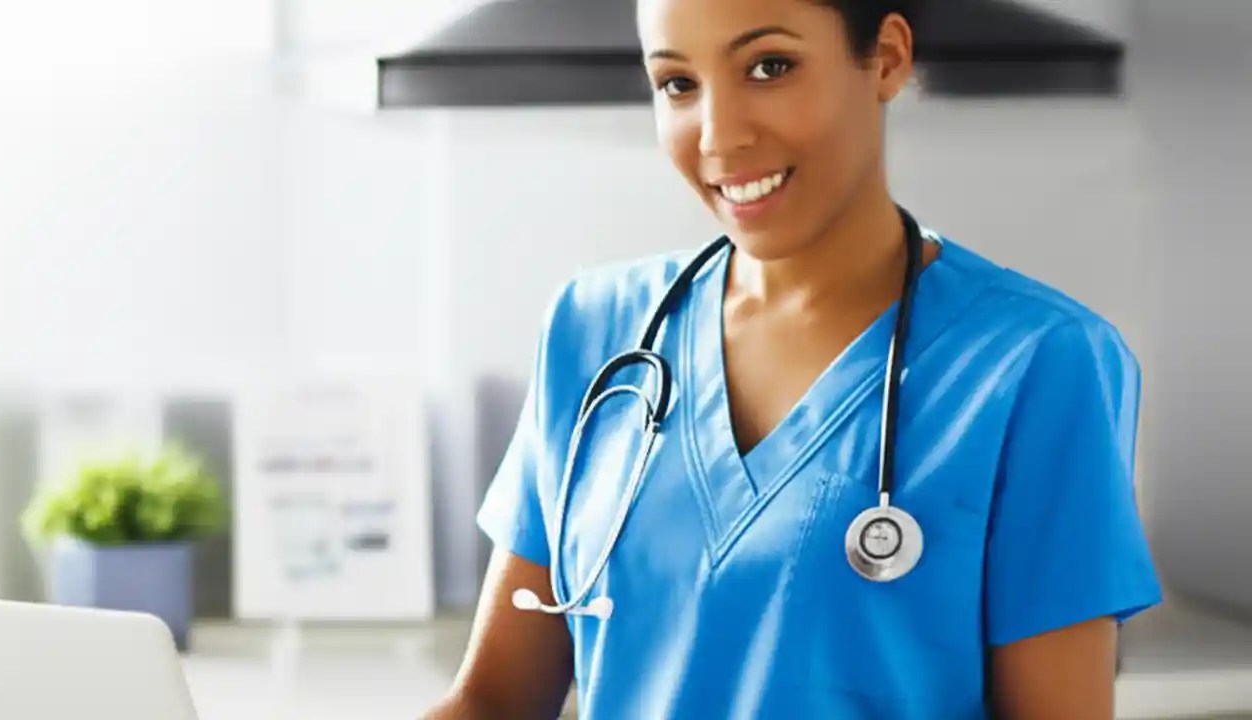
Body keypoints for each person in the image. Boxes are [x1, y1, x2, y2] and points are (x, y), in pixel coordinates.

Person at [424, 0, 1162, 717]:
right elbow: (493, 702)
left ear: (886, 58)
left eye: (769, 66)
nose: (718, 136)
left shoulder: (1036, 363)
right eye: (678, 83)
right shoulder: (595, 331)